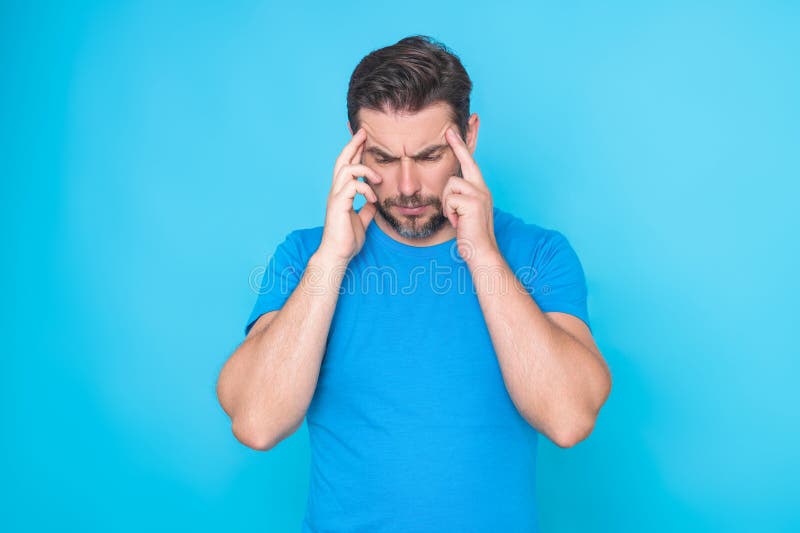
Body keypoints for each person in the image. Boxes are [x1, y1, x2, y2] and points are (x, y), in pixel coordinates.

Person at [216, 34, 612, 532]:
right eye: (382, 158)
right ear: (353, 143)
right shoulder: (305, 257)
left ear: (468, 138)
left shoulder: (538, 254)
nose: (406, 187)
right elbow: (256, 422)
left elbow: (568, 418)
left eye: (427, 157)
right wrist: (332, 259)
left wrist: (483, 254)